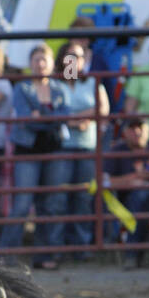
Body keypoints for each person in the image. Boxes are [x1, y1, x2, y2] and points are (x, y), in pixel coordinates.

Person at [4, 43, 71, 267]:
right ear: (30, 64)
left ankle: (46, 256)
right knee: (22, 204)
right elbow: (26, 119)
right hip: (28, 152)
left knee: (51, 205)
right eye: (36, 60)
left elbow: (62, 117)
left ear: (52, 64)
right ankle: (7, 255)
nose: (40, 64)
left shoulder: (59, 88)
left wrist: (39, 115)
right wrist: (49, 117)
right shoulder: (22, 89)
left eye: (44, 60)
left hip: (53, 150)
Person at [54, 39, 109, 254]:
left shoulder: (92, 82)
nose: (74, 61)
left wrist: (71, 118)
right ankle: (58, 247)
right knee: (58, 198)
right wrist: (84, 117)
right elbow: (53, 113)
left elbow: (103, 110)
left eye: (78, 57)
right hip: (62, 147)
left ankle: (81, 247)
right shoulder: (56, 83)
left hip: (87, 147)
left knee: (83, 197)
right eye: (69, 56)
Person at [102, 116, 149, 268]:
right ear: (125, 132)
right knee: (141, 195)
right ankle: (132, 254)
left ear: (148, 129)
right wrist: (133, 179)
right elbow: (104, 181)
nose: (137, 131)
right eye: (132, 128)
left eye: (141, 127)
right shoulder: (117, 151)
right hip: (129, 203)